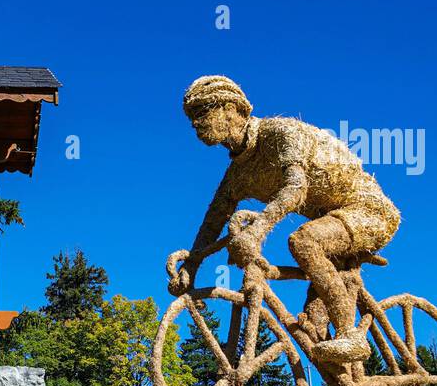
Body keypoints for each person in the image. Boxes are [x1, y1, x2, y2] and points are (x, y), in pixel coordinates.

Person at [169, 75, 400, 365]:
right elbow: (213, 220)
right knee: (312, 332)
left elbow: (296, 186)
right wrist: (191, 265)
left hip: (367, 211)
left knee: (304, 241)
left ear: (232, 108)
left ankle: (351, 336)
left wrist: (258, 230)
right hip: (328, 223)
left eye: (204, 111)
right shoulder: (237, 173)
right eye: (192, 117)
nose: (195, 123)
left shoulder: (279, 133)